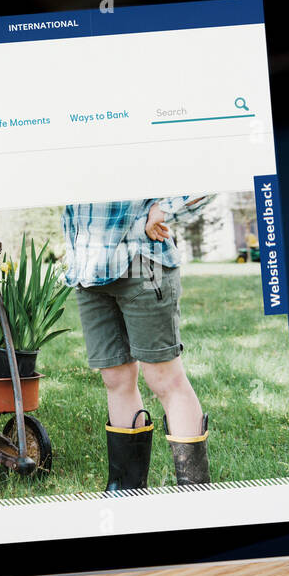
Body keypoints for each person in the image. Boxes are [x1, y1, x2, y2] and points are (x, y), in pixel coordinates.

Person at [61, 197, 209, 491]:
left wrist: (164, 209)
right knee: (115, 377)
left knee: (164, 379)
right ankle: (126, 489)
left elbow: (214, 169)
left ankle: (194, 491)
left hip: (141, 262)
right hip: (88, 271)